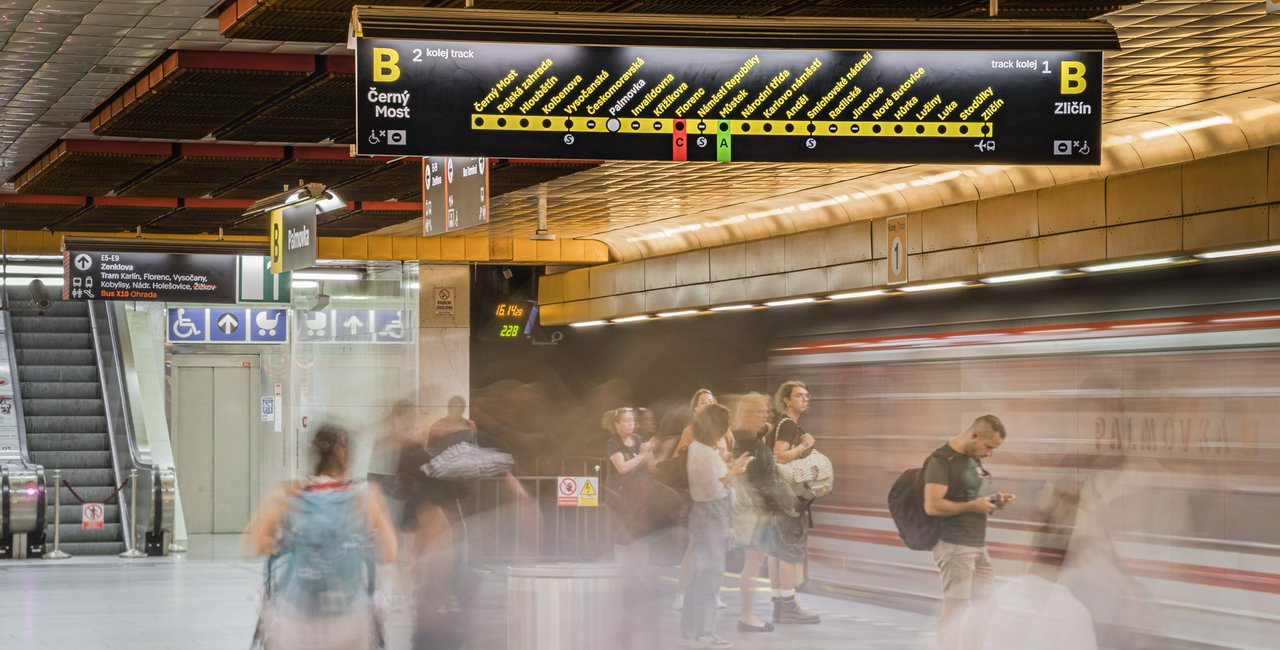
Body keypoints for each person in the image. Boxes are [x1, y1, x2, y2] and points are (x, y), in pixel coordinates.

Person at [244, 424, 397, 650]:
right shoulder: (366, 495)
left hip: (294, 614)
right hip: (349, 614)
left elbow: (253, 544)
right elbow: (390, 552)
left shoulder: (287, 493)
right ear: (347, 457)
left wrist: (290, 543)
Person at [923, 414, 1016, 650]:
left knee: (986, 606)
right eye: (989, 447)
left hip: (976, 545)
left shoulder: (972, 460)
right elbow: (932, 505)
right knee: (956, 610)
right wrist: (974, 506)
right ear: (974, 435)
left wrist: (993, 502)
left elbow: (969, 496)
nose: (989, 454)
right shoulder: (942, 460)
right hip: (954, 545)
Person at [682, 403, 750, 649]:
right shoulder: (707, 453)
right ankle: (705, 632)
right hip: (713, 515)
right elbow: (714, 488)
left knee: (698, 574)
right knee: (711, 575)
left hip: (701, 515)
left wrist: (729, 468)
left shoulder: (696, 448)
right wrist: (733, 472)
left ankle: (690, 629)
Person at [767, 380, 821, 624]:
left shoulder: (781, 423)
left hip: (776, 496)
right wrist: (804, 446)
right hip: (787, 497)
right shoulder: (788, 426)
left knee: (776, 551)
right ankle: (788, 606)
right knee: (788, 550)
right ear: (786, 399)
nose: (805, 399)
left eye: (807, 395)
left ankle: (779, 603)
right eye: (799, 395)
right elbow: (780, 457)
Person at [674, 389, 733, 610]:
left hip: (721, 494)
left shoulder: (725, 432)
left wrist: (726, 459)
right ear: (696, 408)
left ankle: (713, 593)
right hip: (701, 496)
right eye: (702, 402)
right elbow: (680, 459)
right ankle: (681, 593)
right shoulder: (690, 432)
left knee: (716, 550)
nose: (707, 404)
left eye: (711, 401)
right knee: (695, 546)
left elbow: (729, 453)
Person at [729, 392, 778, 633]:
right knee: (753, 564)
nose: (765, 416)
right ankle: (747, 616)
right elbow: (755, 480)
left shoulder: (747, 438)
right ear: (748, 414)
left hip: (757, 510)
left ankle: (748, 614)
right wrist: (771, 507)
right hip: (756, 511)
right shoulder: (747, 443)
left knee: (755, 563)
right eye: (760, 411)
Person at [604, 407, 656, 560]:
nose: (630, 424)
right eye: (626, 421)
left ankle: (641, 572)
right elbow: (623, 468)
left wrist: (651, 451)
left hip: (639, 497)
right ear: (616, 424)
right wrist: (642, 454)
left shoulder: (639, 440)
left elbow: (651, 464)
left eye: (632, 420)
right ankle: (620, 571)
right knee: (622, 536)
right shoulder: (613, 444)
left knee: (642, 535)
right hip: (620, 498)